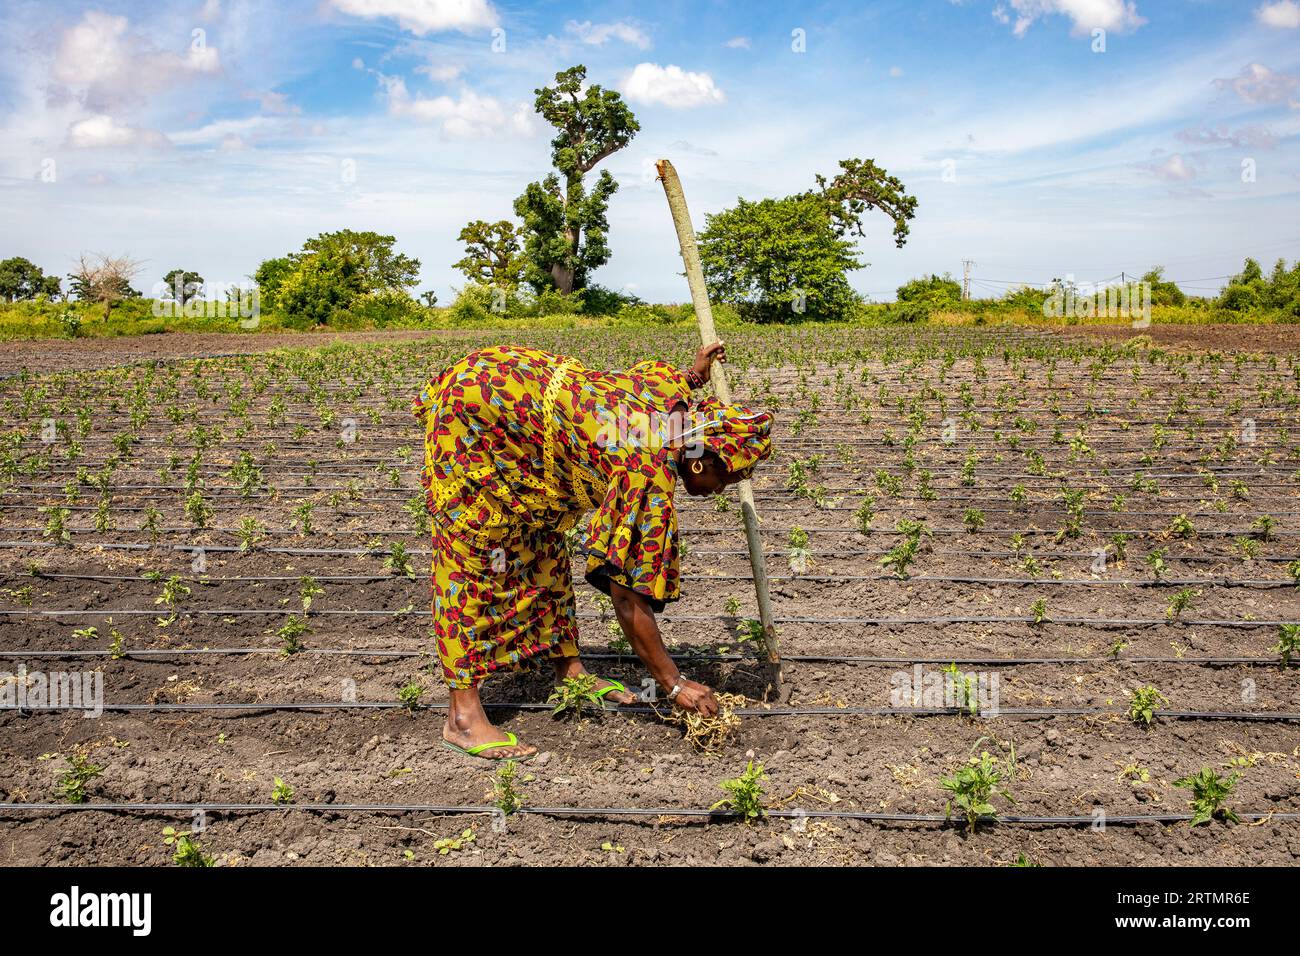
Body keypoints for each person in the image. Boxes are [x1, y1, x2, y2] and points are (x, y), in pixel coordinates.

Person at [411, 342, 773, 760]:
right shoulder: (645, 471)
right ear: (697, 461)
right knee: (474, 554)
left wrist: (694, 375)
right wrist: (672, 682)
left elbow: (663, 382)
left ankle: (569, 672)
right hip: (477, 415)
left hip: (519, 401)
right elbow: (626, 594)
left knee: (541, 544)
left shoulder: (674, 413)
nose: (720, 492)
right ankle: (462, 716)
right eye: (724, 480)